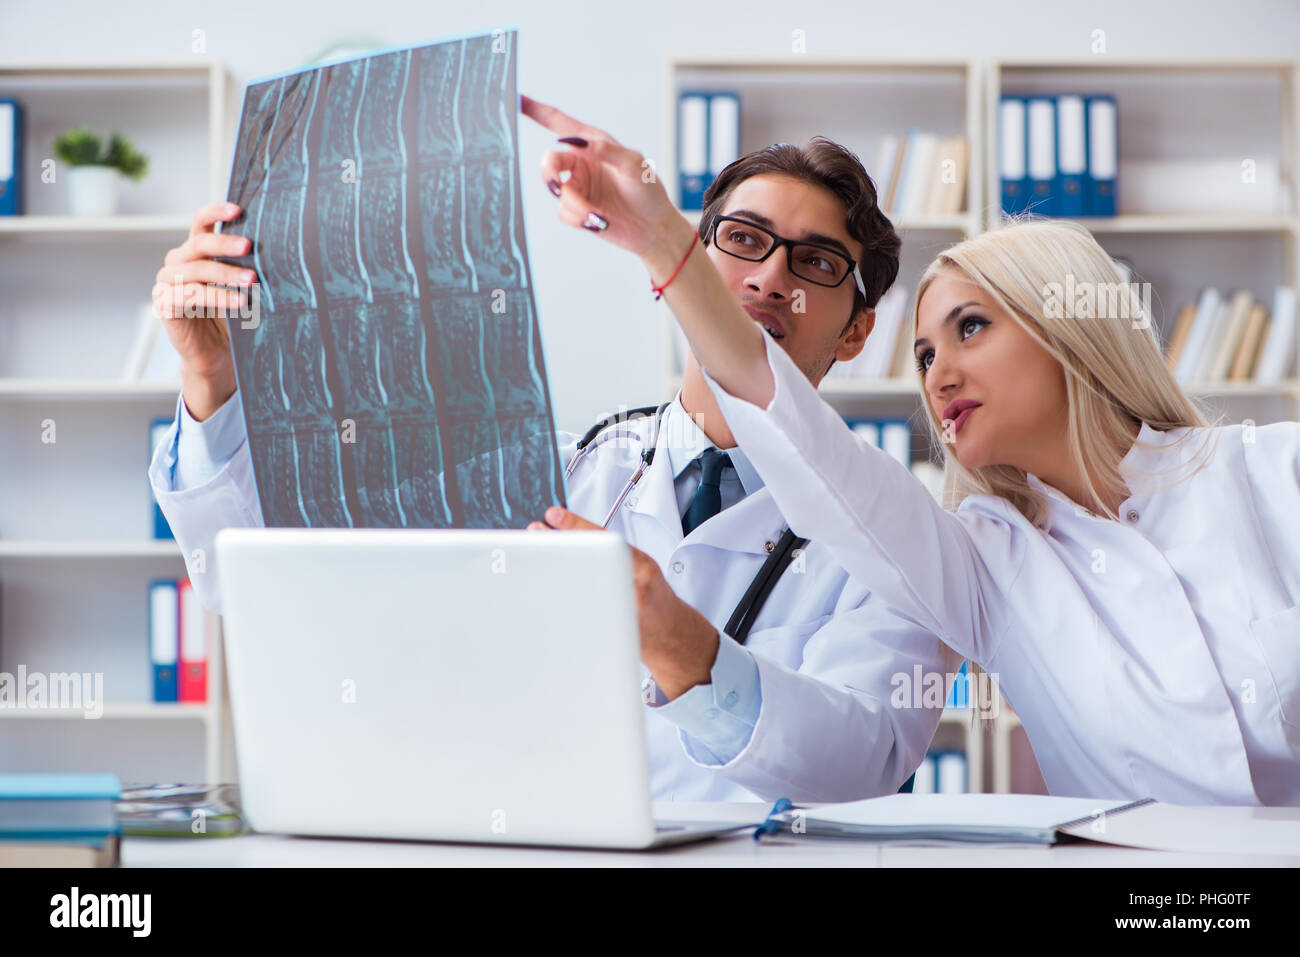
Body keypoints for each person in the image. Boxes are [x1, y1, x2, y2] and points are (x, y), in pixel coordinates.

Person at [147, 106, 960, 803]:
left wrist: (687, 648)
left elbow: (870, 757)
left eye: (816, 262)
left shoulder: (898, 534)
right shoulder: (559, 469)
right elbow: (277, 579)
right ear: (698, 264)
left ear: (858, 331)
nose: (770, 276)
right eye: (743, 240)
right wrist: (212, 378)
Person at [528, 100, 1300, 806]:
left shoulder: (1274, 471)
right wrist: (659, 240)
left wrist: (686, 649)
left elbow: (862, 752)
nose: (941, 375)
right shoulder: (980, 558)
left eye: (970, 328)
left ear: (1071, 327)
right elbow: (799, 434)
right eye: (925, 355)